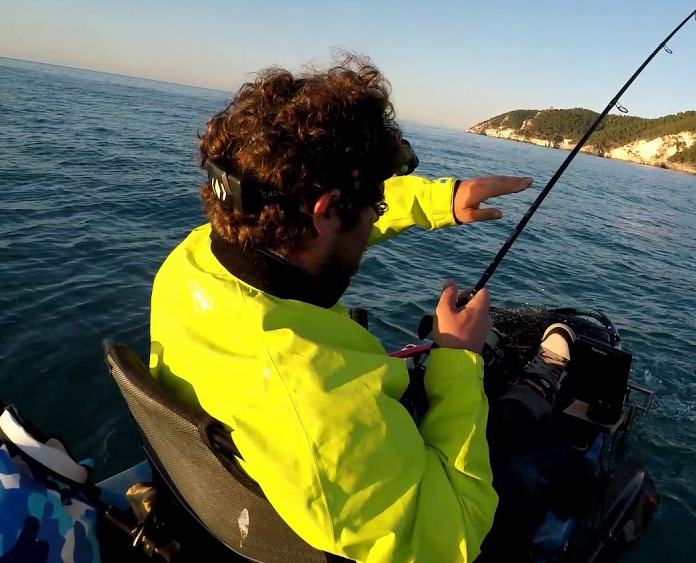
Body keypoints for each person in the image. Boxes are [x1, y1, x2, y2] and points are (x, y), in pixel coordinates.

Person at [148, 53, 533, 563]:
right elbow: (457, 532)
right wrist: (458, 360)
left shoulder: (194, 261)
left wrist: (439, 202)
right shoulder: (324, 410)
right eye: (375, 204)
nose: (377, 213)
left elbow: (309, 221)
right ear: (327, 213)